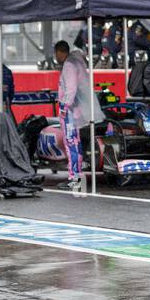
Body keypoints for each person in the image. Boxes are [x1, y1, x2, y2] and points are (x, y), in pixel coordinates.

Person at [54, 40, 102, 190]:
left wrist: (64, 107)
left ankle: (75, 177)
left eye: (56, 53)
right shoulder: (77, 61)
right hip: (78, 110)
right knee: (75, 142)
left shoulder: (69, 65)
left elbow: (71, 89)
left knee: (71, 144)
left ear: (60, 52)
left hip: (70, 111)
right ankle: (76, 175)